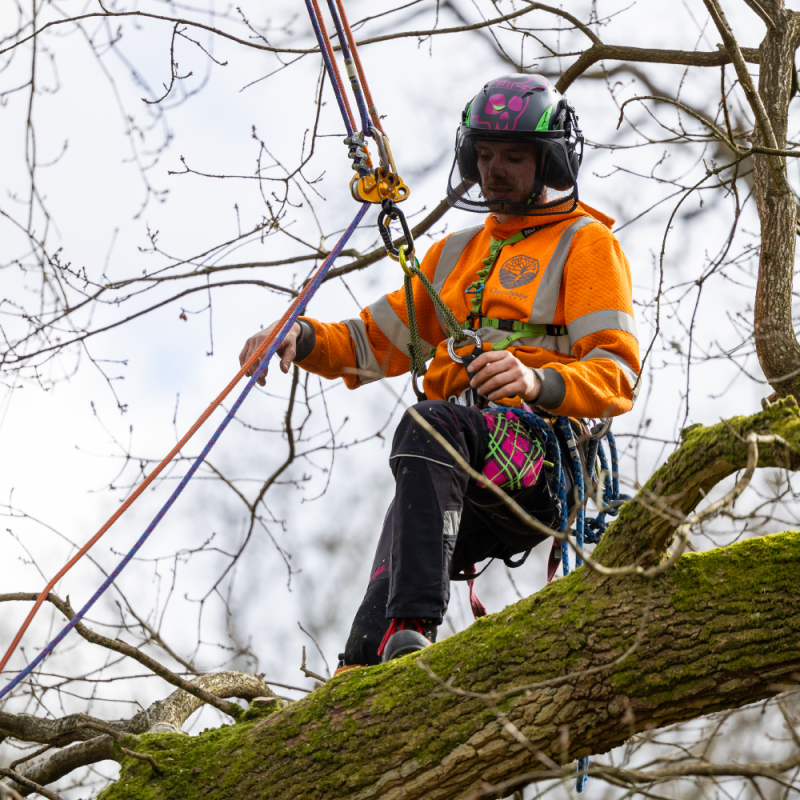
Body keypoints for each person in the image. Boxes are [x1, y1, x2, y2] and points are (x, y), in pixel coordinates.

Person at [239, 73, 640, 672]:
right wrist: (300, 333)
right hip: (457, 461)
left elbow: (614, 374)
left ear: (549, 161)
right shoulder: (453, 253)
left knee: (427, 429)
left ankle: (416, 628)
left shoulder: (586, 243)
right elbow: (373, 341)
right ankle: (368, 672)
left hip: (542, 455)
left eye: (512, 156)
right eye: (484, 156)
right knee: (375, 615)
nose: (495, 169)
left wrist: (536, 382)